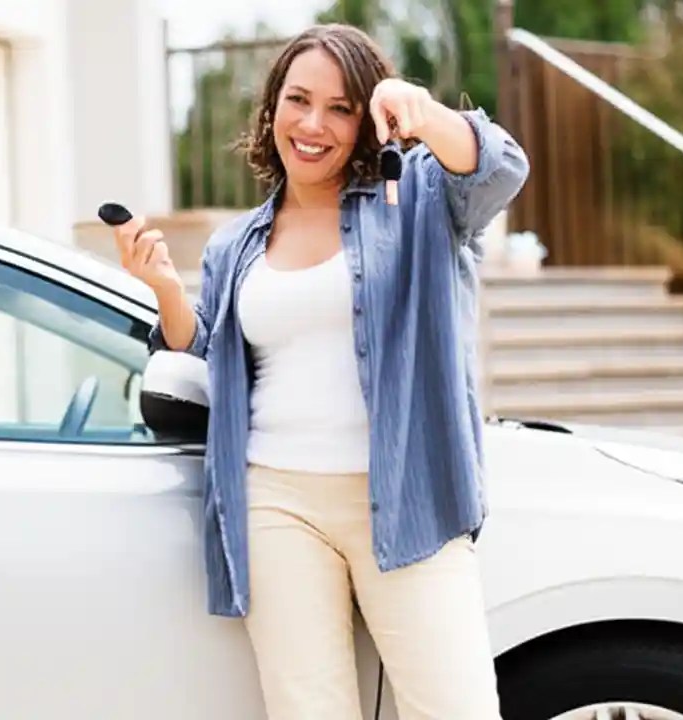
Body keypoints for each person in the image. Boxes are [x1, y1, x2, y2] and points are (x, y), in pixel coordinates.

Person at [111, 23, 529, 720]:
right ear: (271, 108)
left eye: (341, 107)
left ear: (368, 118)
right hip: (276, 504)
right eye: (298, 100)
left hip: (409, 499)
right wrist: (166, 290)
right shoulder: (233, 244)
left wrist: (421, 110)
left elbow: (501, 168)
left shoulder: (418, 200)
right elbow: (207, 362)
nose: (313, 124)